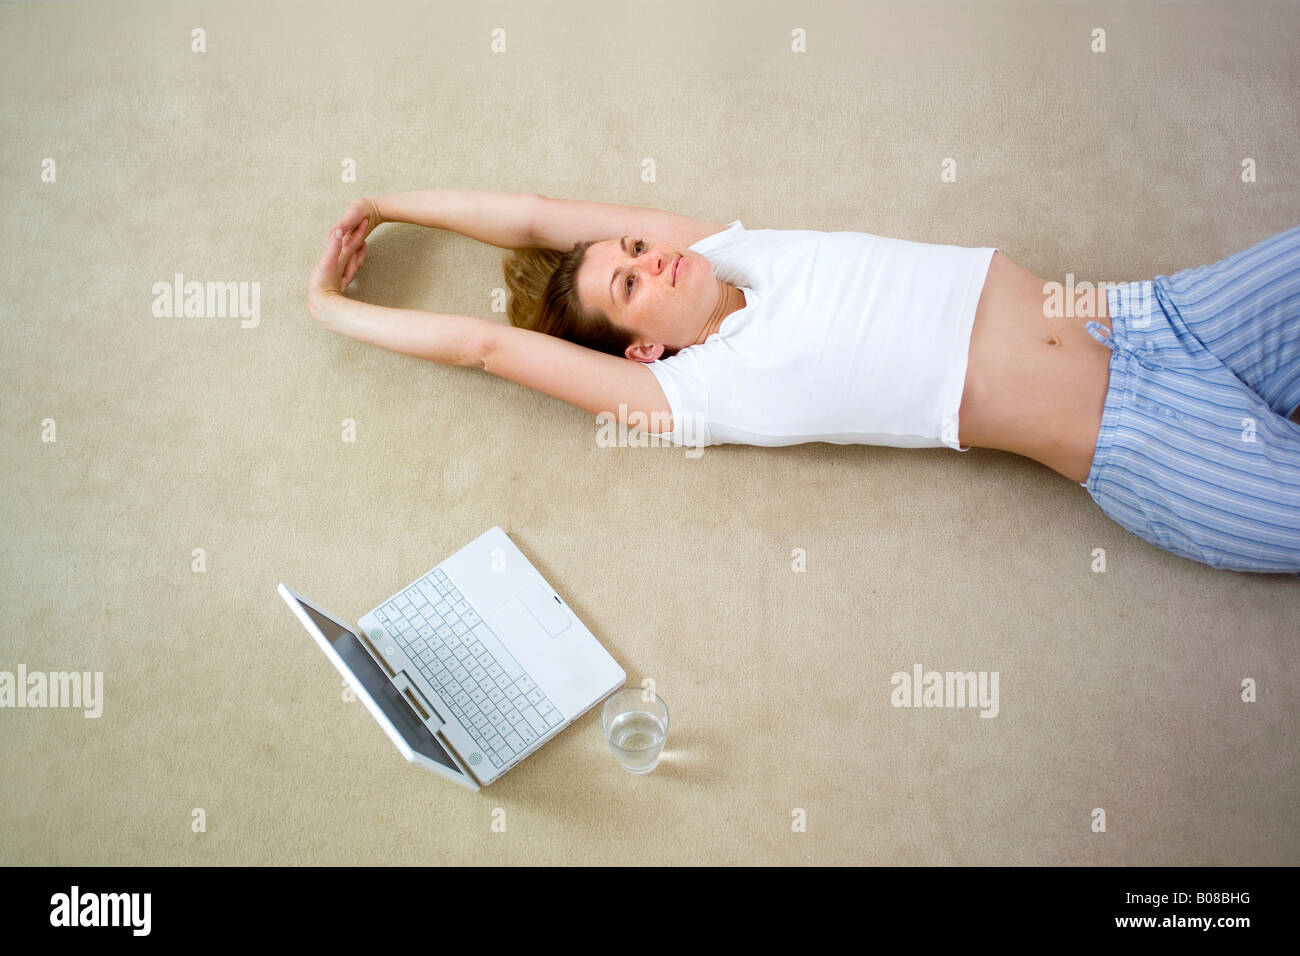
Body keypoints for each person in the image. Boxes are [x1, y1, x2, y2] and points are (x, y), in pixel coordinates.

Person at [307, 189, 1300, 574]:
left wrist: (389, 198)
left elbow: (532, 216)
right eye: (629, 281)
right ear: (641, 350)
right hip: (1146, 443)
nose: (654, 260)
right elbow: (487, 347)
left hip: (1160, 315)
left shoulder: (746, 251)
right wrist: (330, 307)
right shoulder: (699, 393)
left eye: (641, 247)